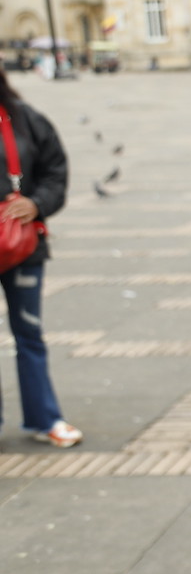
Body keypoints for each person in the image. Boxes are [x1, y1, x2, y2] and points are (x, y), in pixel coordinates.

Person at [0, 69, 79, 447]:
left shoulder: (26, 119)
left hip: (21, 248)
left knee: (29, 332)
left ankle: (44, 417)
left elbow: (55, 171)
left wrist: (37, 203)